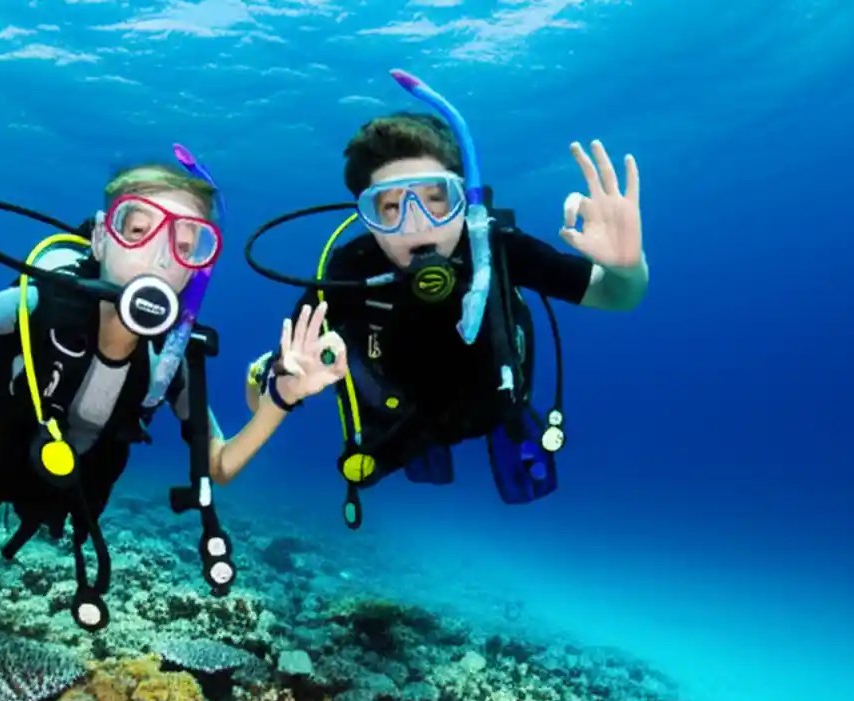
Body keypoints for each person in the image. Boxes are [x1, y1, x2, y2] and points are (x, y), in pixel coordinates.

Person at [0, 119, 348, 630]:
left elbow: (218, 466)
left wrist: (280, 399)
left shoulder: (170, 361)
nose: (159, 255)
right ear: (100, 236)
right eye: (137, 227)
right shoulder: (38, 303)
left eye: (187, 241)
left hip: (62, 476)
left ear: (198, 266)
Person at [242, 69, 648, 529]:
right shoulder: (350, 272)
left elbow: (619, 297)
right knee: (388, 452)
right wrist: (275, 379)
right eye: (390, 206)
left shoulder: (498, 247)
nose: (417, 223)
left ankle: (503, 440)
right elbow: (264, 395)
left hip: (495, 407)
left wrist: (628, 267)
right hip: (403, 421)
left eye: (438, 199)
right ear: (368, 218)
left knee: (506, 431)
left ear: (466, 199)